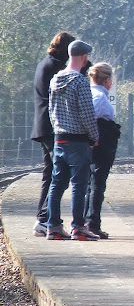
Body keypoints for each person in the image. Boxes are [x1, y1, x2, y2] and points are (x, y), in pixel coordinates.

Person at [45, 40, 100, 241]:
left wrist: (58, 130)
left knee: (57, 184)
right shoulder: (80, 81)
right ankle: (78, 227)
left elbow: (51, 110)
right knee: (79, 184)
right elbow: (87, 113)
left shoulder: (55, 80)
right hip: (78, 141)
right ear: (84, 57)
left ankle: (53, 227)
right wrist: (94, 136)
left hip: (59, 138)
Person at [31, 32, 76, 236]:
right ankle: (45, 219)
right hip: (51, 127)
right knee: (60, 172)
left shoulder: (44, 64)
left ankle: (42, 219)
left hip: (42, 126)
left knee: (49, 173)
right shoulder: (56, 68)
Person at [84, 63, 121, 239]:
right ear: (106, 80)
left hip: (93, 144)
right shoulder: (99, 97)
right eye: (111, 79)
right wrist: (95, 138)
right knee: (97, 185)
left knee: (89, 184)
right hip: (101, 145)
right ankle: (92, 223)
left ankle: (86, 221)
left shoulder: (89, 94)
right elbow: (92, 118)